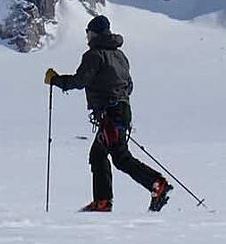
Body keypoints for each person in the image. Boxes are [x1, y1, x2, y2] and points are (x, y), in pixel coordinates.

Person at [45, 15, 172, 213]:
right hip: (122, 111)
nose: (87, 38)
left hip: (110, 114)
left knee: (115, 157)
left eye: (88, 33)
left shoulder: (94, 55)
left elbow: (81, 81)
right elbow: (128, 85)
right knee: (104, 154)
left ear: (94, 34)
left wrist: (56, 80)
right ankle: (107, 199)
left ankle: (150, 186)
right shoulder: (120, 56)